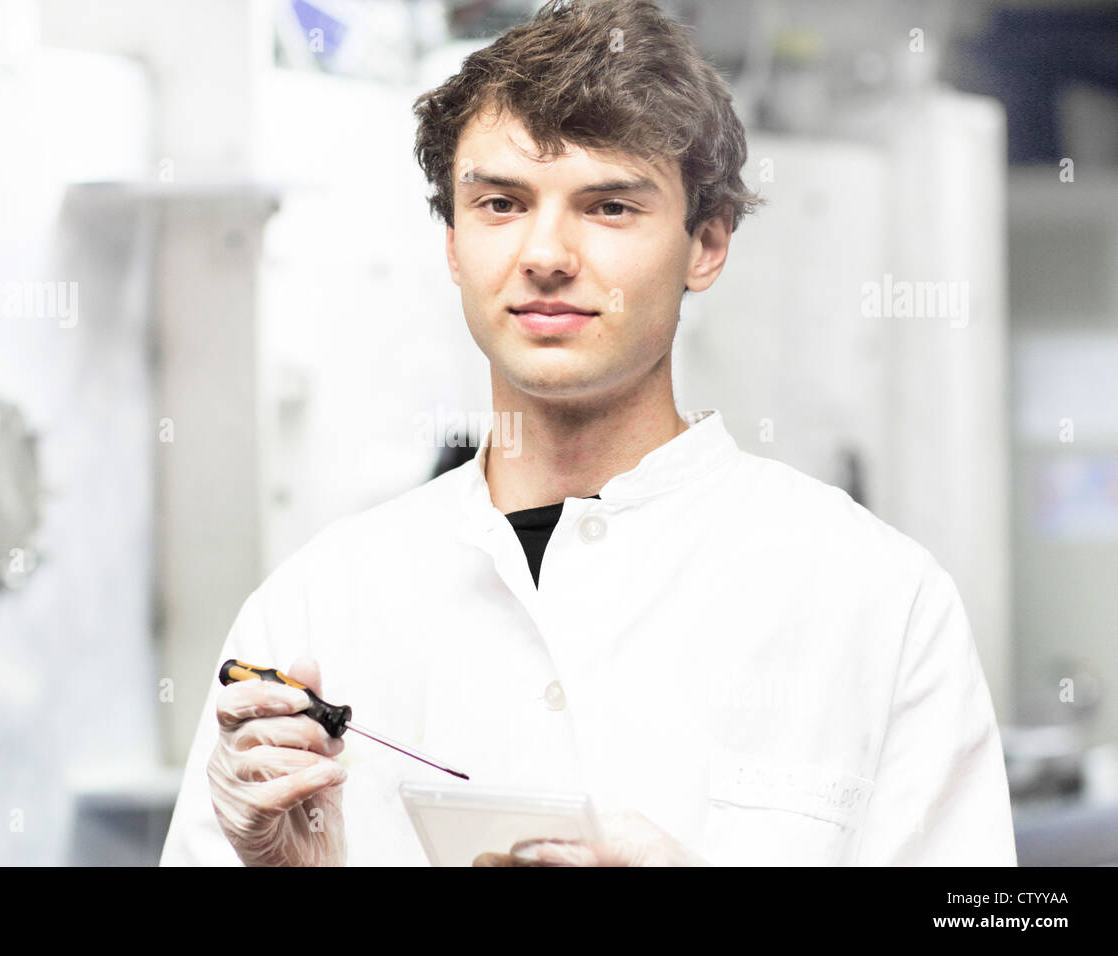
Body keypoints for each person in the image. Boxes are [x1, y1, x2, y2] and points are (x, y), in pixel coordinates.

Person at [160, 0, 1017, 867]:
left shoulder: (875, 601)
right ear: (454, 244)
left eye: (608, 207)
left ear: (707, 243)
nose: (545, 253)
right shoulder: (313, 609)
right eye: (500, 202)